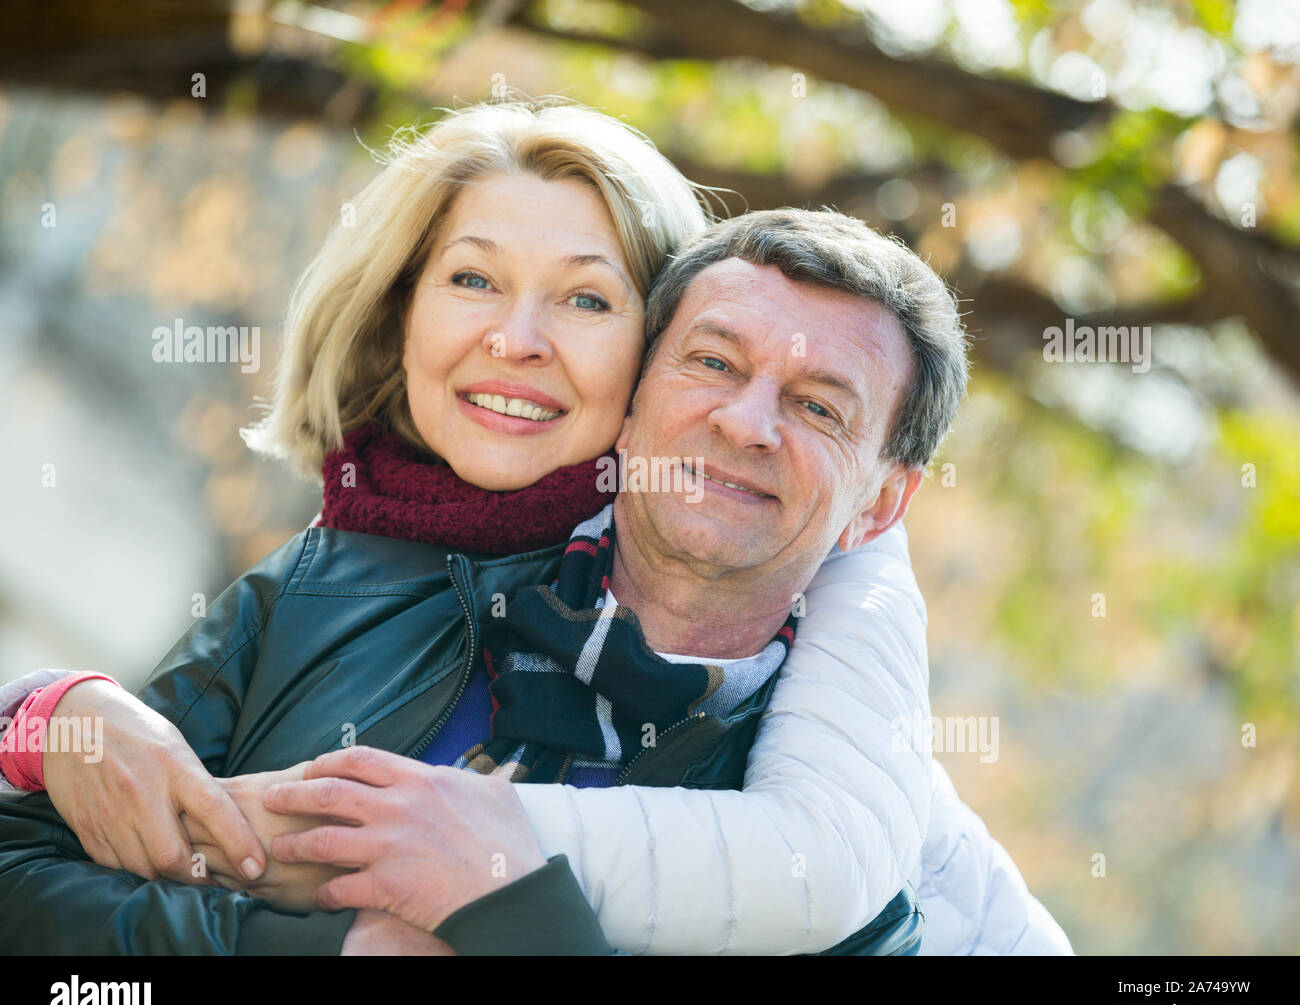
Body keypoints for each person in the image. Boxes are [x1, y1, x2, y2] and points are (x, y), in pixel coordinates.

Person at [0, 100, 933, 955]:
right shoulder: (323, 583)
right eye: (474, 277)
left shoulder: (819, 757)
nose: (517, 338)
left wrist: (509, 914)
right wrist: (55, 712)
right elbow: (30, 893)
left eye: (585, 298)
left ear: (639, 354)